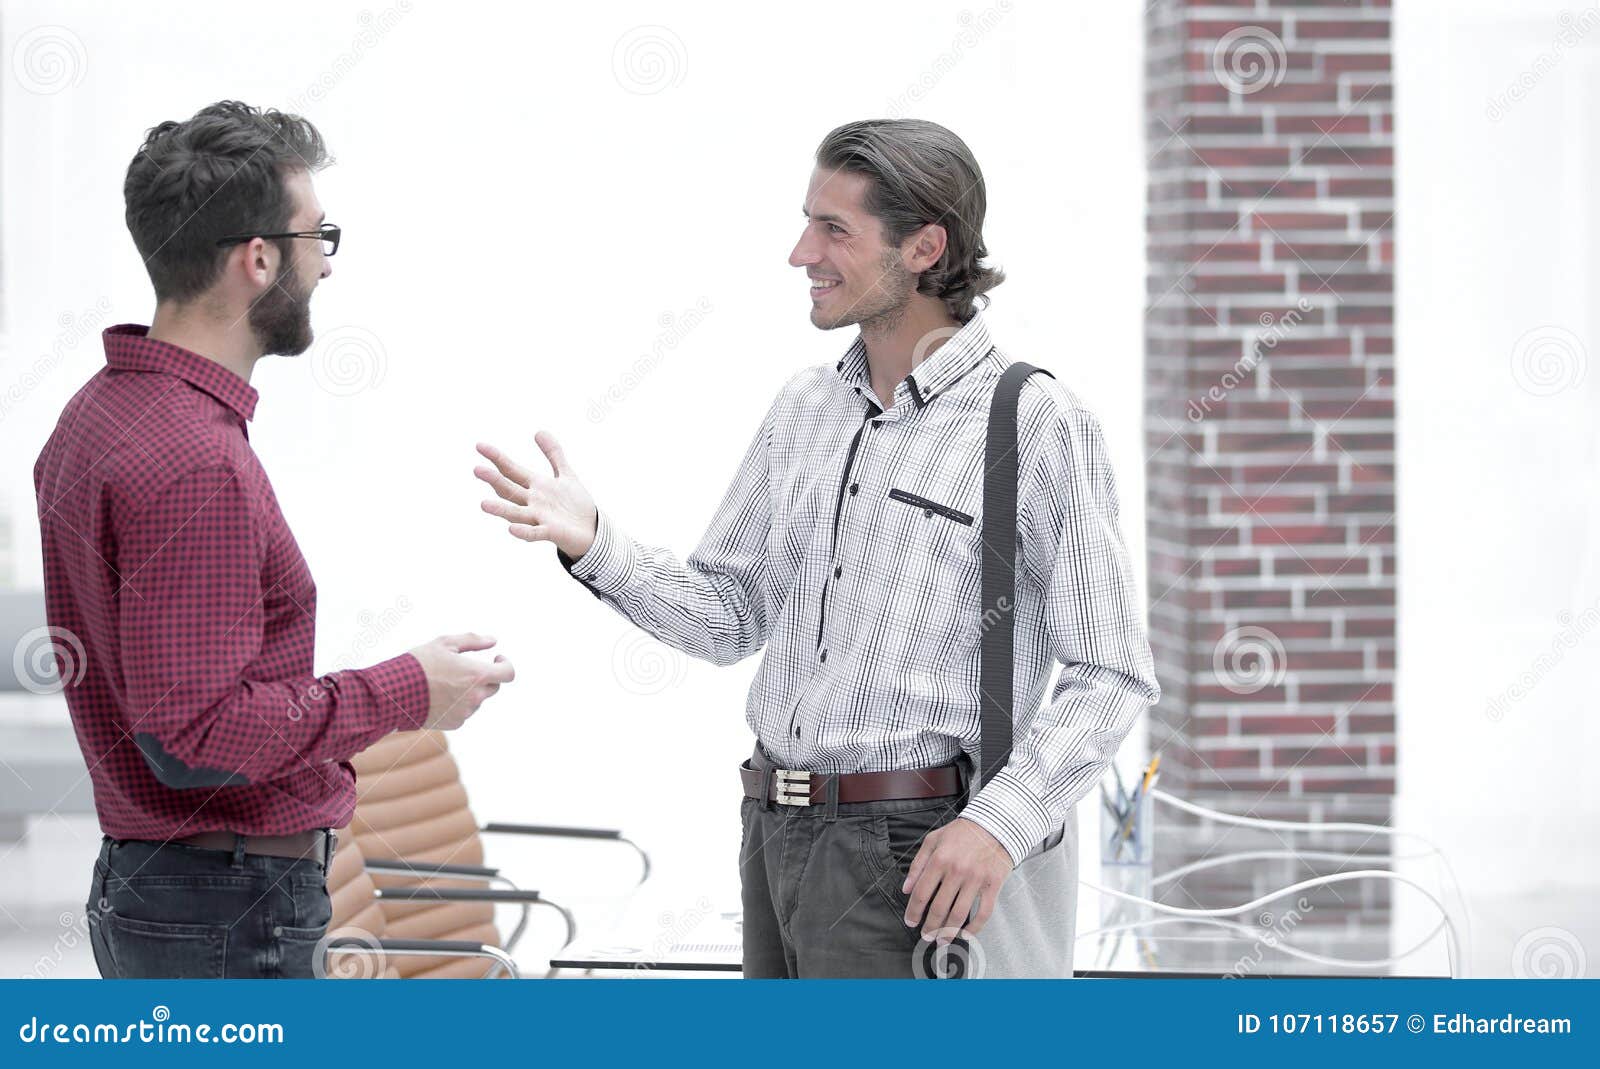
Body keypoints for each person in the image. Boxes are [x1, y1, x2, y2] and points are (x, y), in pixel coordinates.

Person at [474, 119, 1157, 977]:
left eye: (834, 228)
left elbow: (1112, 670)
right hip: (774, 830)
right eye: (808, 222)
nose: (803, 252)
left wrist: (1002, 821)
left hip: (917, 849)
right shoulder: (804, 409)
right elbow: (729, 617)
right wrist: (596, 542)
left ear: (924, 246)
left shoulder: (1035, 423)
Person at [33, 101, 514, 979]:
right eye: (315, 236)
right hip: (226, 906)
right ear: (258, 260)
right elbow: (198, 735)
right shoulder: (193, 460)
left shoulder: (95, 416)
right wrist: (411, 688)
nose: (325, 265)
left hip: (174, 895)